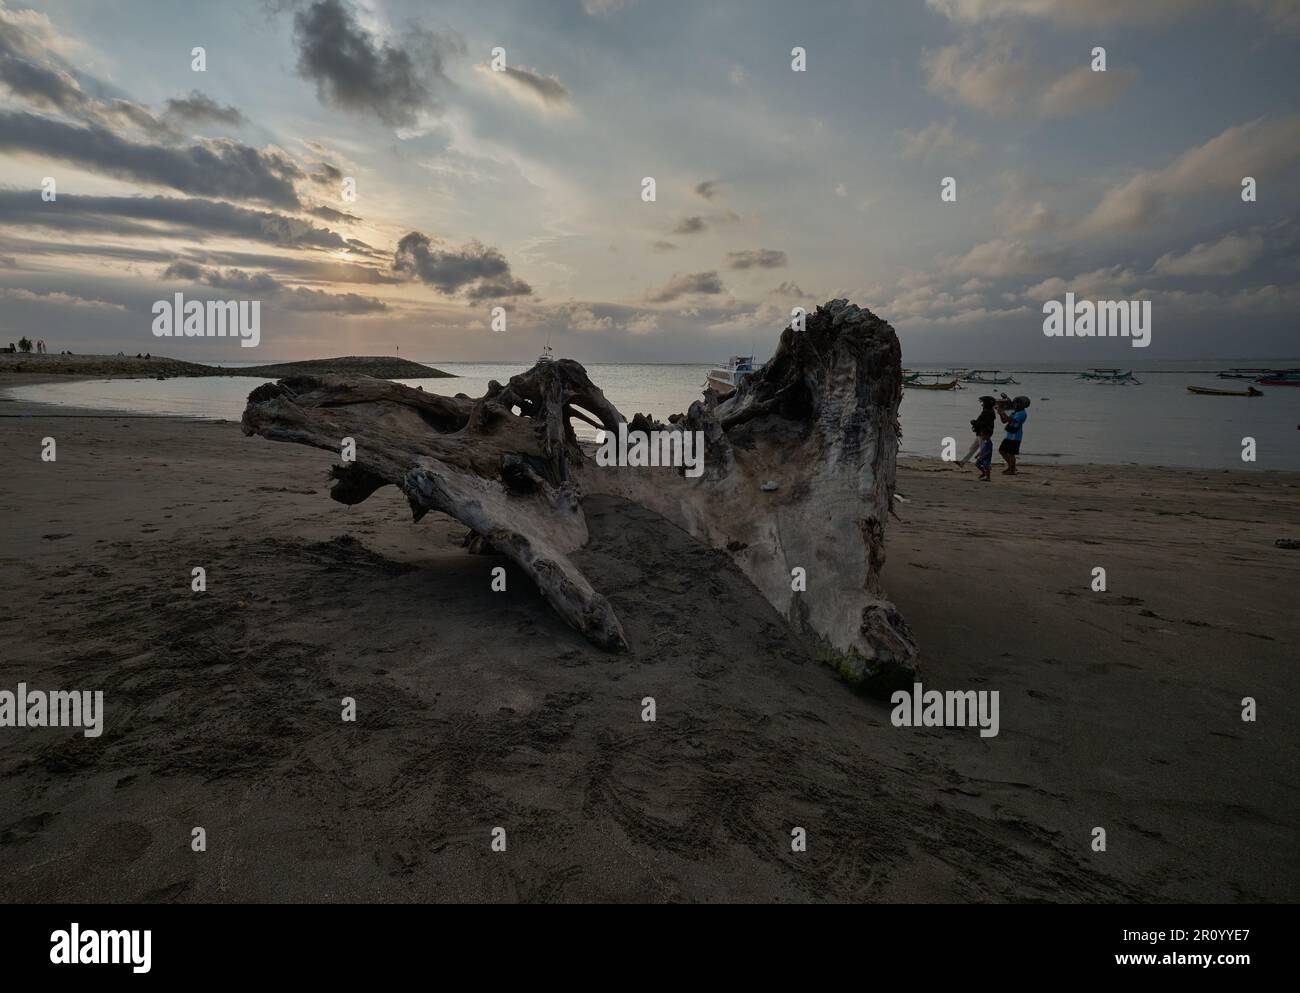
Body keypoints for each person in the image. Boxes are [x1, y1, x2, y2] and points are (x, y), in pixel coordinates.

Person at [956, 396, 996, 467]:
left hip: (983, 434)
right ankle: (962, 462)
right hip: (980, 433)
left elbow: (985, 423)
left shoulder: (988, 412)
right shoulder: (988, 411)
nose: (982, 404)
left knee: (983, 450)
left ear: (987, 404)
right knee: (973, 448)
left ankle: (986, 466)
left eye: (983, 403)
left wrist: (974, 423)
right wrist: (975, 423)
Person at [997, 396, 1030, 474]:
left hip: (1016, 436)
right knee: (1002, 451)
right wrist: (1001, 414)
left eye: (1017, 403)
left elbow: (1012, 421)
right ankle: (1011, 467)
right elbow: (1004, 421)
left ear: (1022, 405)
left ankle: (1012, 470)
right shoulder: (1015, 412)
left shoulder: (1022, 413)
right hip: (1009, 435)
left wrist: (1003, 413)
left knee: (1011, 453)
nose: (1015, 405)